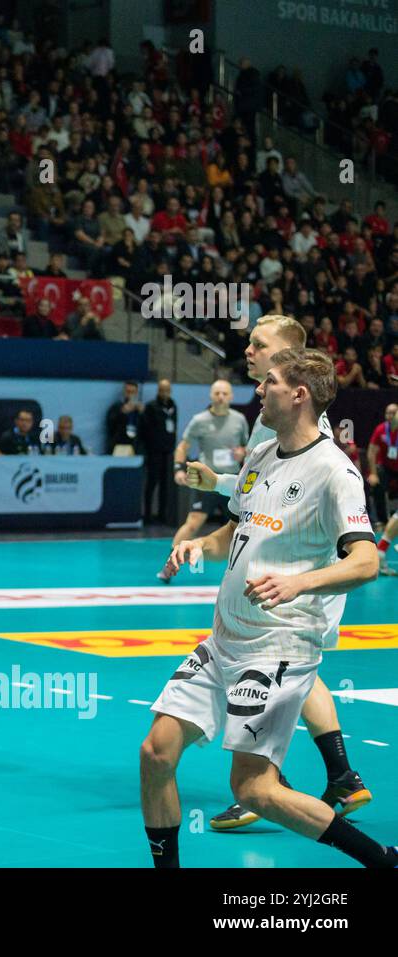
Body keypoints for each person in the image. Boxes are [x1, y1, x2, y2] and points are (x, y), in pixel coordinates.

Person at [140, 349, 395, 869]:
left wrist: (300, 582)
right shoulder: (260, 455)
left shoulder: (334, 471)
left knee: (254, 790)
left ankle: (384, 860)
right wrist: (200, 546)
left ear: (299, 395)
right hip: (224, 638)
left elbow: (366, 561)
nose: (257, 389)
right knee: (156, 753)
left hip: (279, 646)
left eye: (270, 382)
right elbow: (237, 530)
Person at [184, 315, 373, 828]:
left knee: (287, 668)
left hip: (306, 570)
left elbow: (308, 493)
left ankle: (263, 788)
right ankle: (338, 777)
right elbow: (264, 488)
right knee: (297, 675)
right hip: (279, 573)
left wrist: (300, 579)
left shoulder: (304, 420)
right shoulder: (272, 418)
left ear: (287, 356)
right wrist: (221, 481)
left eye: (258, 345)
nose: (248, 352)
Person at [159, 379, 248, 581]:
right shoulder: (199, 420)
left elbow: (248, 448)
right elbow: (183, 446)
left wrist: (242, 452)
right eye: (217, 393)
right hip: (207, 482)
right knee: (192, 524)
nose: (221, 397)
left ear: (231, 396)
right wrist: (178, 469)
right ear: (211, 396)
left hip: (232, 482)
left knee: (246, 526)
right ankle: (170, 564)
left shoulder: (239, 420)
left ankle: (248, 572)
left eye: (225, 393)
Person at [365, 403, 398, 576]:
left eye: (394, 413)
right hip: (386, 468)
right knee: (376, 482)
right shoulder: (381, 430)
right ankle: (380, 523)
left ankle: (381, 549)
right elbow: (371, 451)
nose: (391, 416)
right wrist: (372, 473)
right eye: (389, 412)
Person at [141, 379, 178, 524]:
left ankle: (163, 515)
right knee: (151, 483)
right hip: (154, 451)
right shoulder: (151, 406)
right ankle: (148, 515)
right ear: (158, 391)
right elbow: (145, 429)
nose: (165, 393)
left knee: (165, 485)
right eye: (162, 390)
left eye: (167, 390)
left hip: (168, 451)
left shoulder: (173, 405)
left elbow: (174, 426)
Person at [106, 381, 144, 454]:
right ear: (124, 392)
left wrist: (144, 414)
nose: (130, 395)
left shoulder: (140, 410)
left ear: (136, 393)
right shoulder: (116, 408)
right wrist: (122, 413)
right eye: (128, 392)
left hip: (136, 447)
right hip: (119, 446)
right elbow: (110, 427)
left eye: (133, 392)